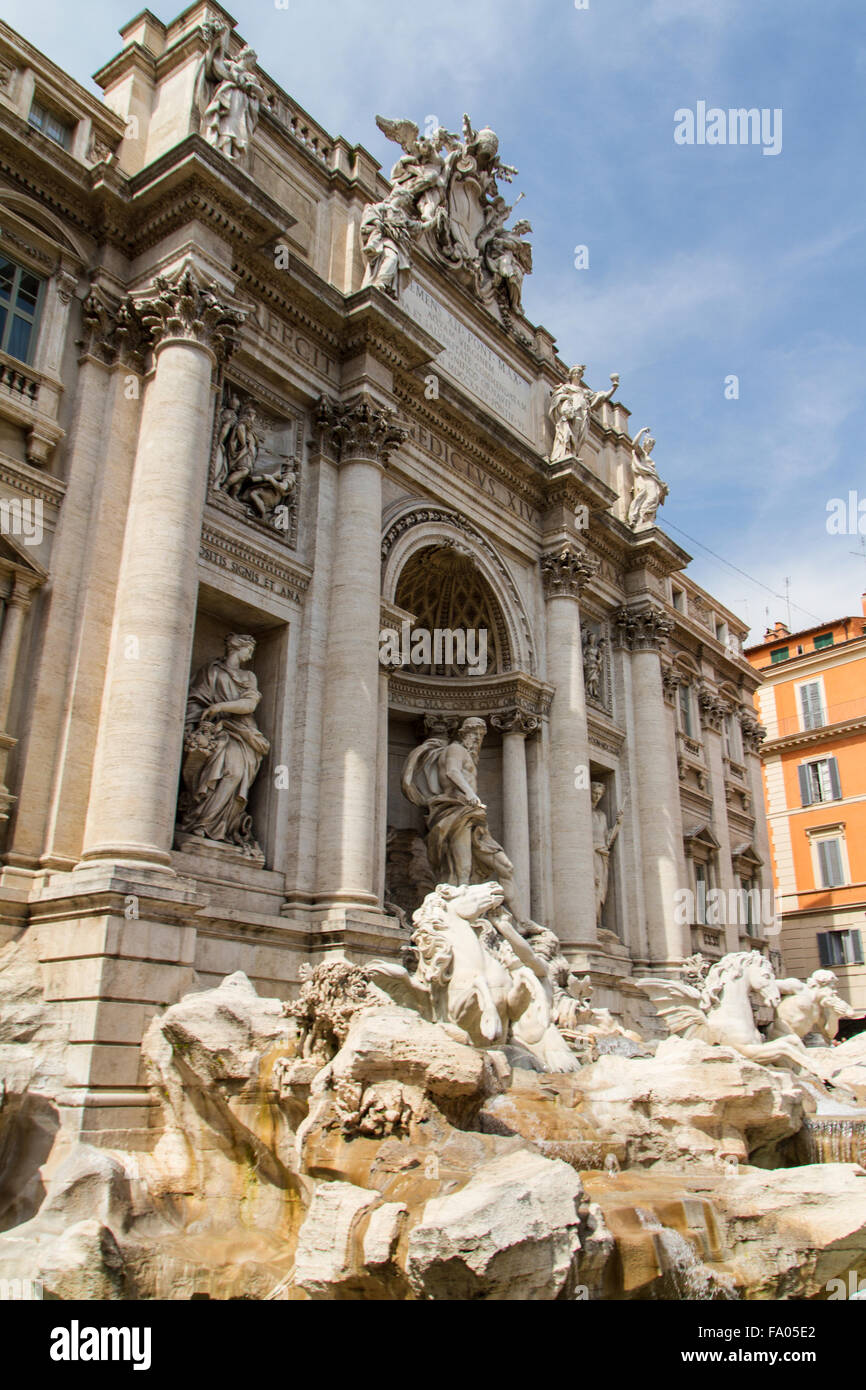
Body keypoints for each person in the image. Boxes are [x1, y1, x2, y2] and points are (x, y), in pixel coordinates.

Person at [178, 634, 270, 856]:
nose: (250, 654)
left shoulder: (248, 676)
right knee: (213, 774)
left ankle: (218, 827)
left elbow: (249, 703)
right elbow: (196, 698)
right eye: (249, 650)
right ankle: (200, 823)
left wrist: (220, 707)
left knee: (235, 774)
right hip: (216, 731)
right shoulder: (211, 672)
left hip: (243, 733)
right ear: (238, 648)